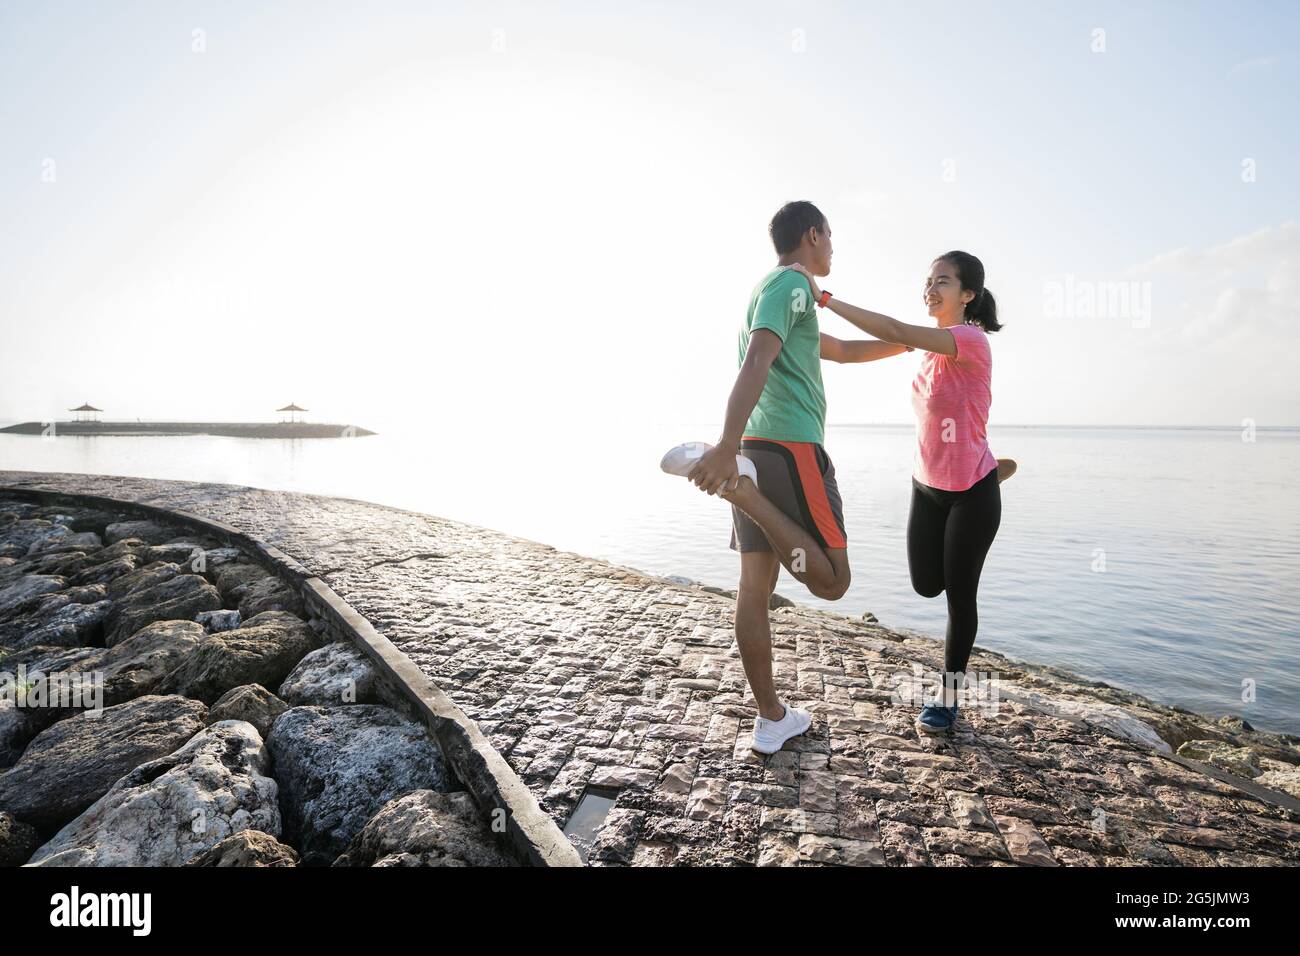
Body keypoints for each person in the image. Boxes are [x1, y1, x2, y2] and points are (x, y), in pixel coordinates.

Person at [659, 201, 909, 754]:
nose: (833, 250)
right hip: (788, 451)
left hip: (757, 450)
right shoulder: (793, 285)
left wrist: (906, 342)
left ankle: (772, 717)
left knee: (755, 589)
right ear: (814, 234)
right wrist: (726, 446)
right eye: (831, 238)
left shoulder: (773, 293)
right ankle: (744, 495)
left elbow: (840, 351)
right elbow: (757, 361)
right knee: (831, 580)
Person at [787, 251, 1012, 735]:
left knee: (960, 594)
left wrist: (823, 296)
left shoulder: (970, 341)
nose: (930, 290)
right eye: (928, 281)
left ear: (967, 295)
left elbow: (897, 329)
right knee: (925, 583)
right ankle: (996, 468)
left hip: (970, 490)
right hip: (927, 484)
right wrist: (791, 328)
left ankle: (948, 699)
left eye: (943, 283)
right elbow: (850, 349)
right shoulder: (929, 349)